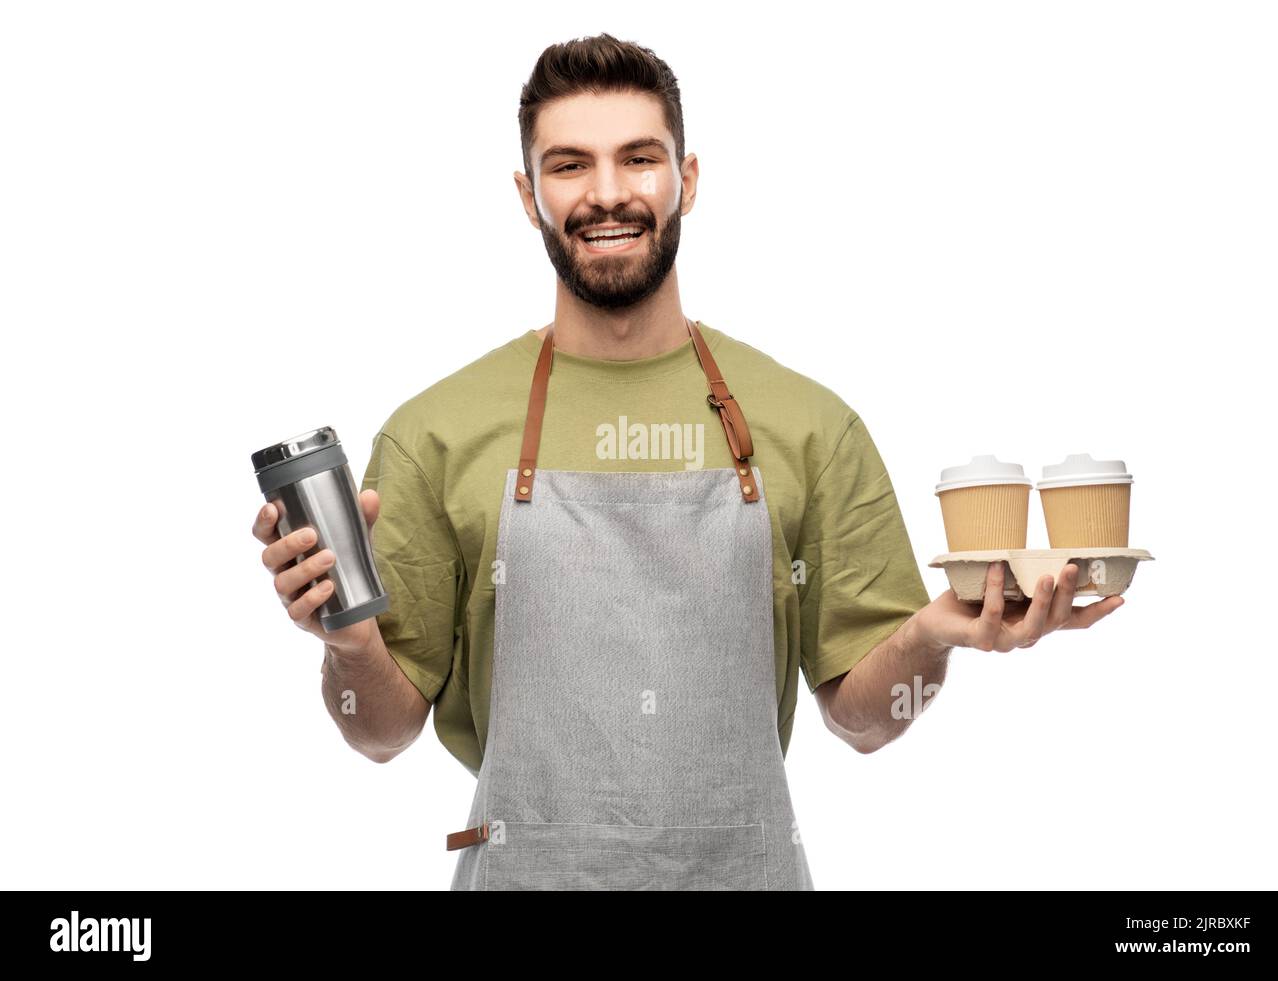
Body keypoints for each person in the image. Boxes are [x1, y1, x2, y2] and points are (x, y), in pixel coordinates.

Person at [251, 33, 1123, 890]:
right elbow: (380, 732)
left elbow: (865, 722)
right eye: (568, 165)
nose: (606, 193)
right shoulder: (436, 432)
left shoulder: (809, 425)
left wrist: (933, 637)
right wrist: (350, 642)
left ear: (687, 179)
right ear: (528, 195)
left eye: (638, 158)